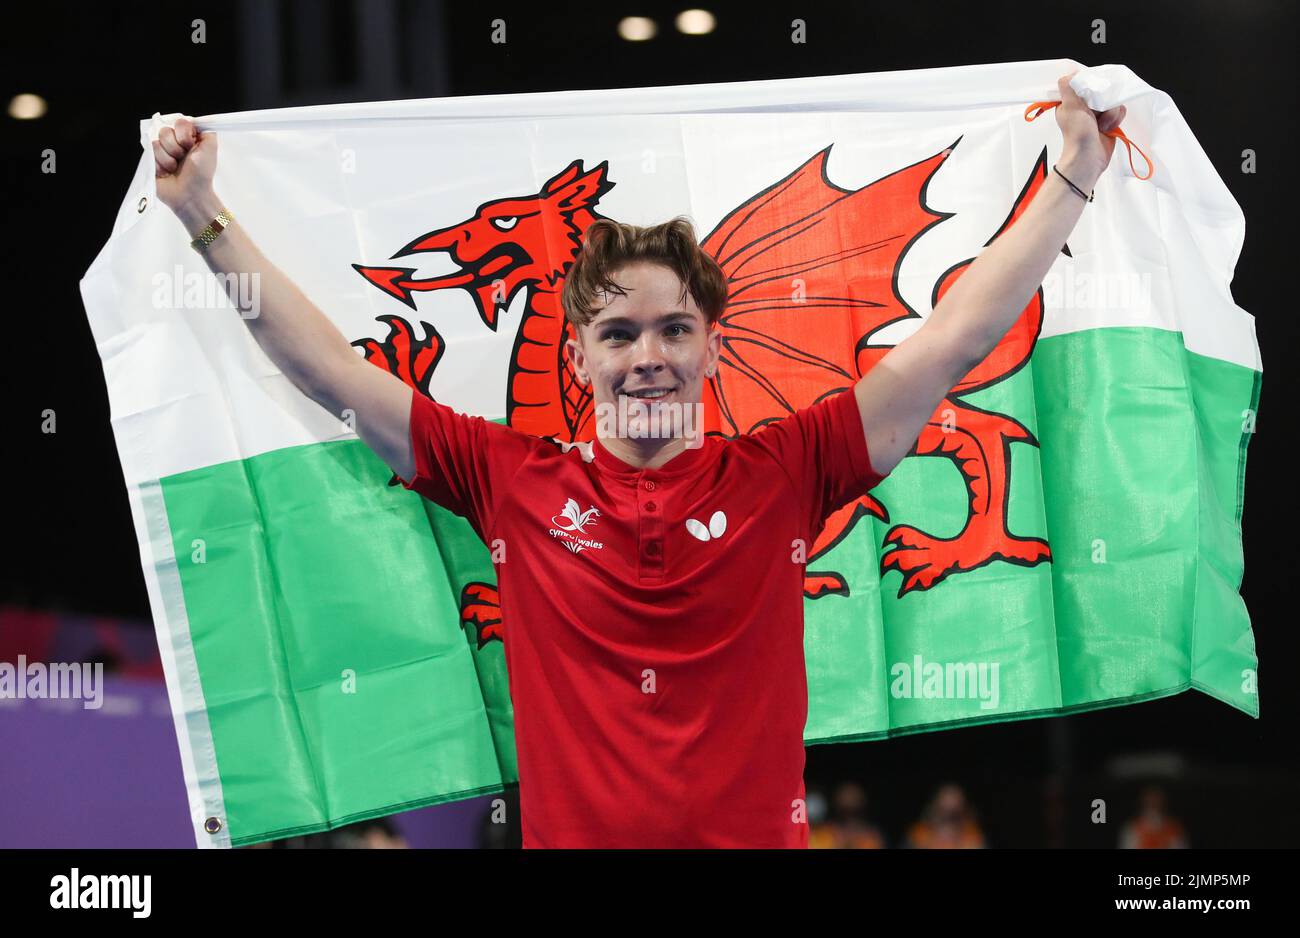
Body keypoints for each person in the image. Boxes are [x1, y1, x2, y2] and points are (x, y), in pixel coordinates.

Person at [151, 74, 1126, 848]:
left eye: (672, 328)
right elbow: (327, 370)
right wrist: (202, 214)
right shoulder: (504, 475)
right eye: (618, 332)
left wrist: (1074, 179)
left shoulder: (793, 466)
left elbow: (954, 336)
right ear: (577, 353)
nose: (647, 355)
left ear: (709, 343)